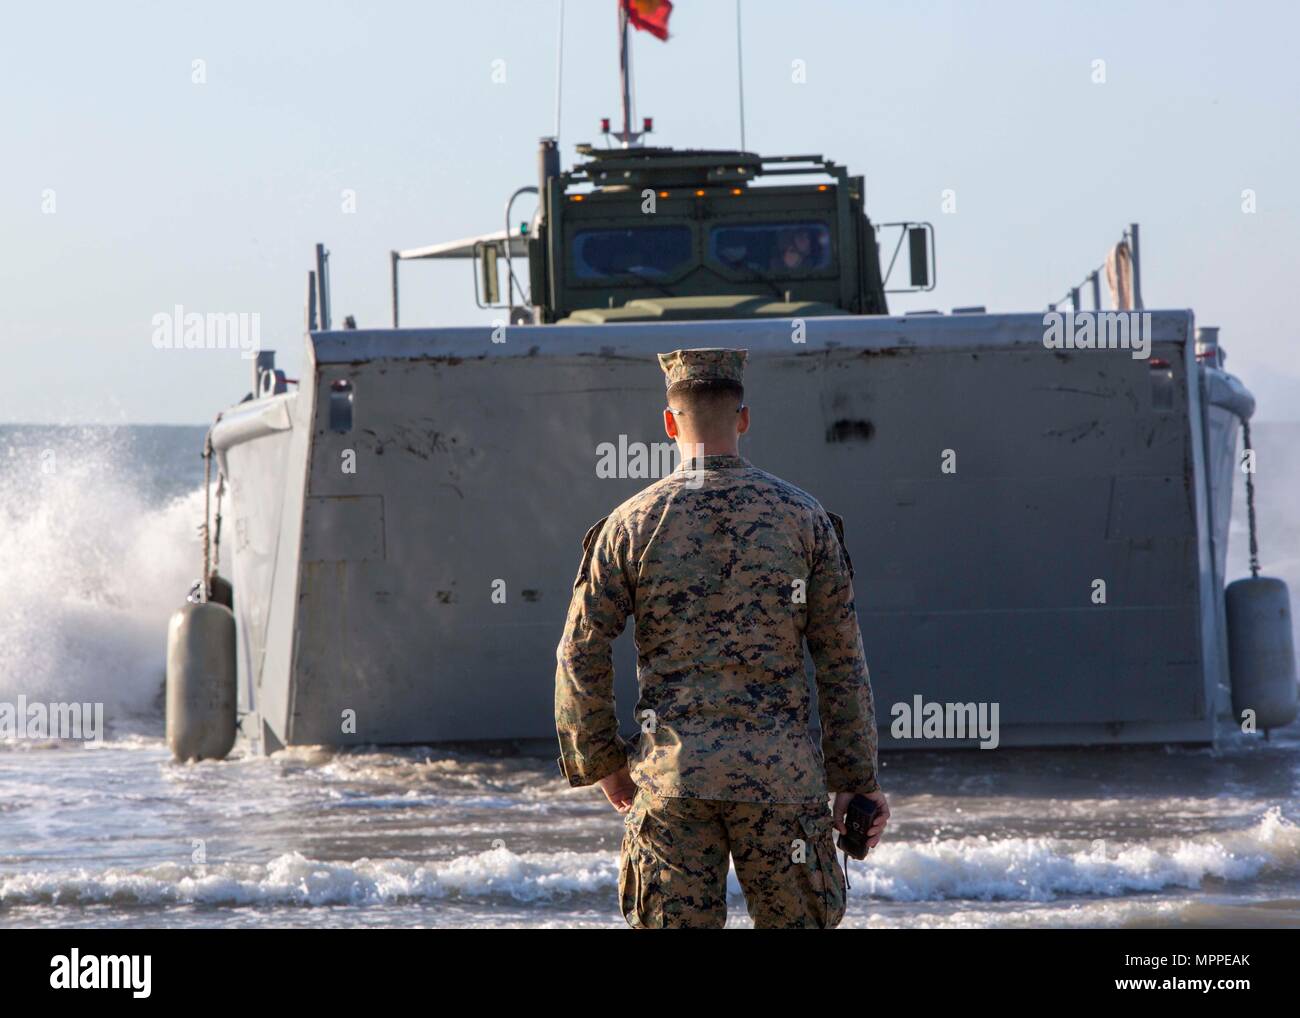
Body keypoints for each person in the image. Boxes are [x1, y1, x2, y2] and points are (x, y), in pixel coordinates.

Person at [554, 347, 888, 928]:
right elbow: (840, 658)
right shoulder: (803, 518)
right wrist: (855, 782)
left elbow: (580, 650)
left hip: (672, 782)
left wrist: (602, 760)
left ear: (667, 422)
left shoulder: (630, 524)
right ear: (744, 418)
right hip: (781, 783)